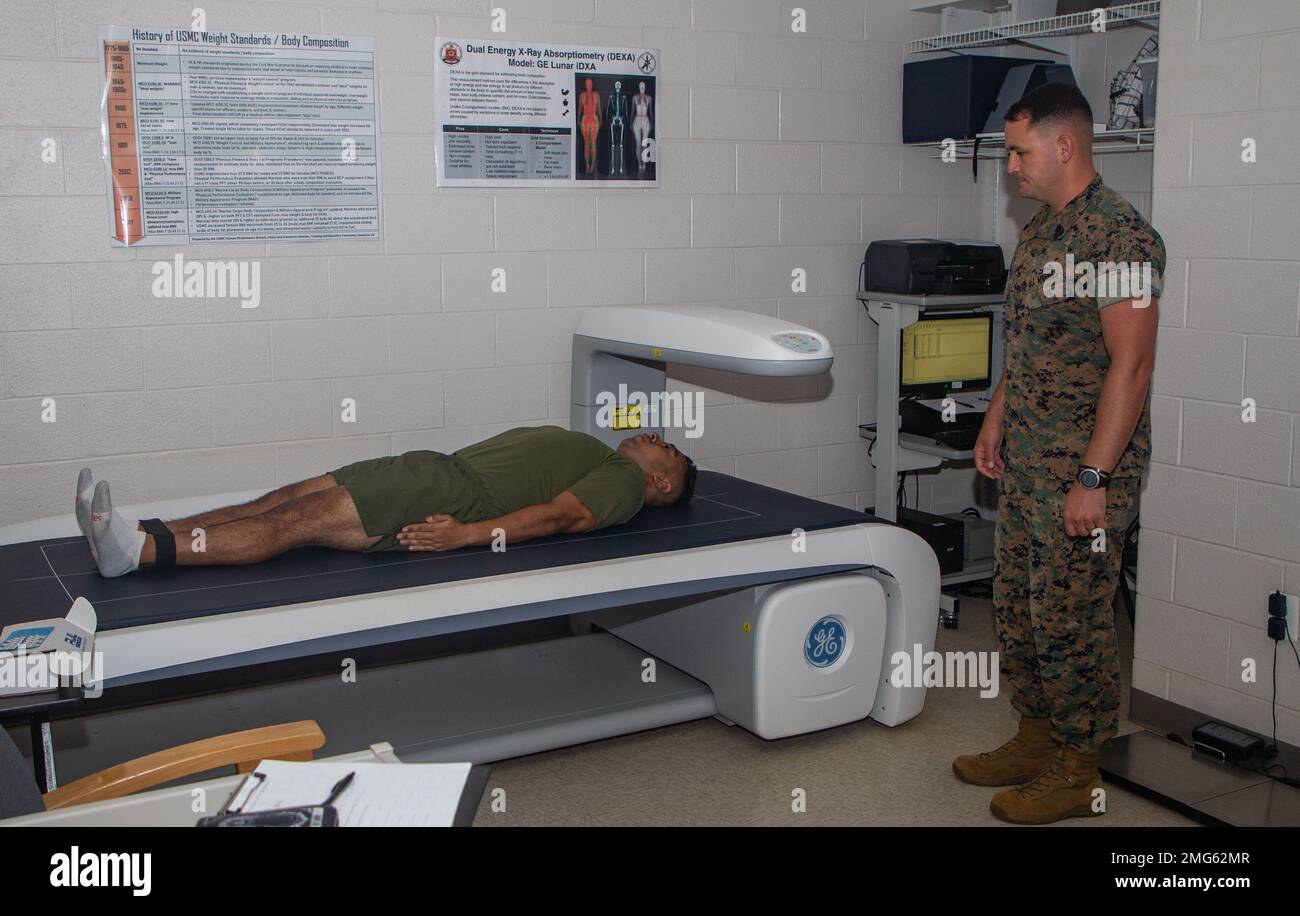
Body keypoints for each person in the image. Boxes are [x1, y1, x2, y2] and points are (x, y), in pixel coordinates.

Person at [950, 82, 1165, 824]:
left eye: (1020, 151)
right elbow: (1032, 339)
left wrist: (1093, 479)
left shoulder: (1121, 238)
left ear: (1064, 145)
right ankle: (1036, 736)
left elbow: (1131, 367)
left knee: (1072, 615)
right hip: (1031, 458)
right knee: (1019, 606)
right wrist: (995, 418)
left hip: (1086, 466)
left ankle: (1080, 767)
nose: (1011, 166)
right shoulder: (1041, 232)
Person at [78, 426, 697, 577]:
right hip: (434, 469)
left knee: (292, 522)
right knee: (281, 500)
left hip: (450, 491)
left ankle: (136, 555)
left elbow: (564, 516)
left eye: (665, 448)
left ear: (662, 483)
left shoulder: (622, 480)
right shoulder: (603, 454)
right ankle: (142, 531)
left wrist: (468, 535)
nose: (653, 438)